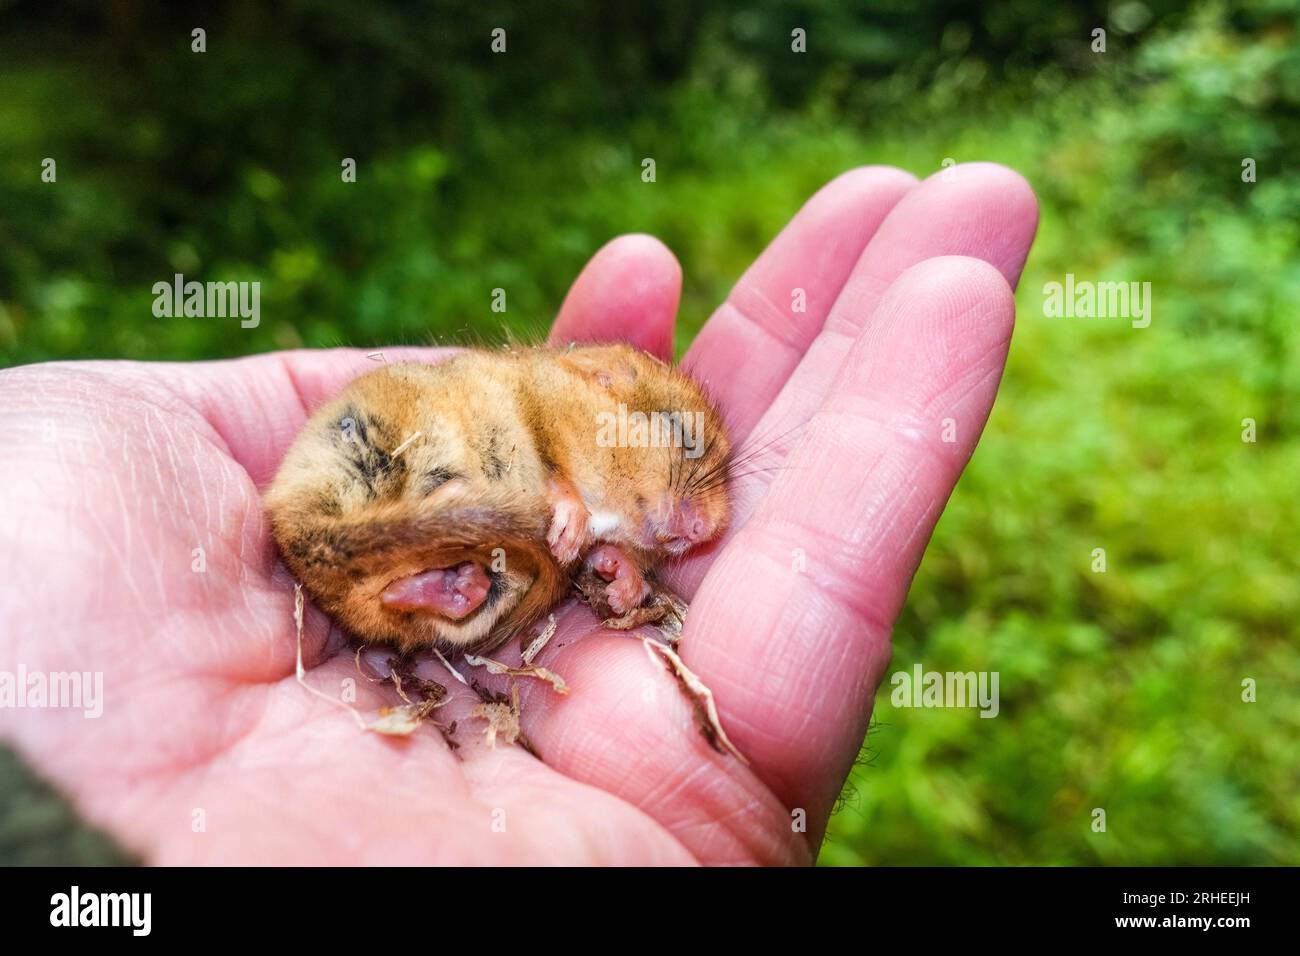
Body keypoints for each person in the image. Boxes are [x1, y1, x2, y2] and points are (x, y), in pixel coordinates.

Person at [0, 162, 1037, 865]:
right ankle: (408, 573)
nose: (702, 515)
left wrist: (615, 576)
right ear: (600, 386)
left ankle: (409, 585)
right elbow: (492, 446)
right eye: (685, 459)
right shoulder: (531, 401)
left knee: (514, 568)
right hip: (381, 485)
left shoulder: (556, 533)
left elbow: (563, 551)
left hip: (405, 569)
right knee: (508, 509)